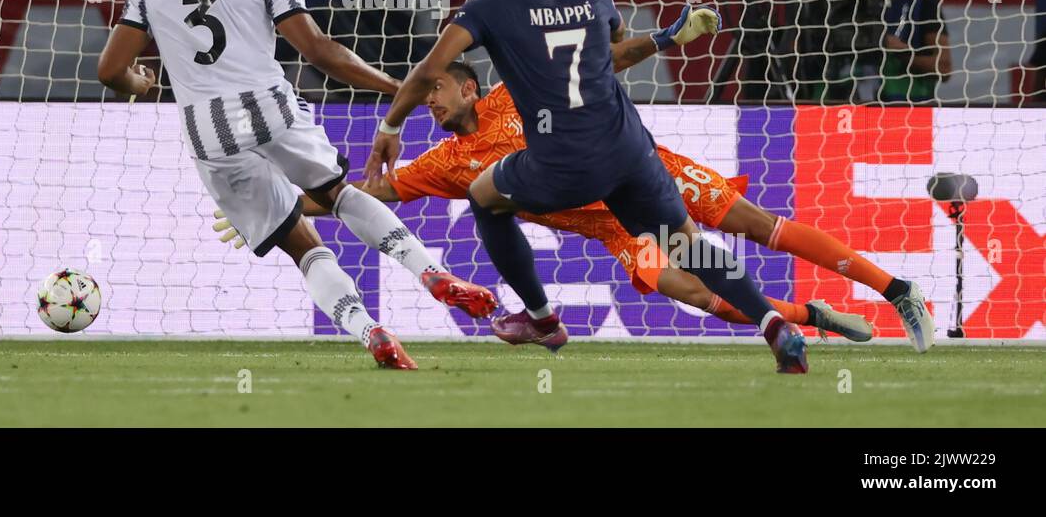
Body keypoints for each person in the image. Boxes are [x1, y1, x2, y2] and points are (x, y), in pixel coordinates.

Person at [366, 0, 812, 372]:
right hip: (629, 151)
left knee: (484, 196)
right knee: (688, 246)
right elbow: (615, 55)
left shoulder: (492, 4)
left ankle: (541, 319)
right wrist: (665, 38)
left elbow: (429, 70)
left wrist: (390, 129)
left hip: (563, 160)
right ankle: (775, 325)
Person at [96, 0, 496, 369]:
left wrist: (140, 83)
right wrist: (396, 87)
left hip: (208, 130)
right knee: (341, 195)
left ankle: (370, 333)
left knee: (304, 248)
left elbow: (109, 71)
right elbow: (320, 51)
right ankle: (431, 273)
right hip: (270, 107)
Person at [220, 61, 877, 347]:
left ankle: (876, 287)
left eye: (438, 91)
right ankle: (810, 316)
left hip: (643, 184)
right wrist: (281, 209)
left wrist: (658, 42)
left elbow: (598, 70)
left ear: (471, 85)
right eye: (424, 98)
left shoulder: (517, 93)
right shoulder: (443, 165)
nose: (431, 103)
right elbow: (364, 194)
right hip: (618, 232)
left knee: (757, 230)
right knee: (706, 298)